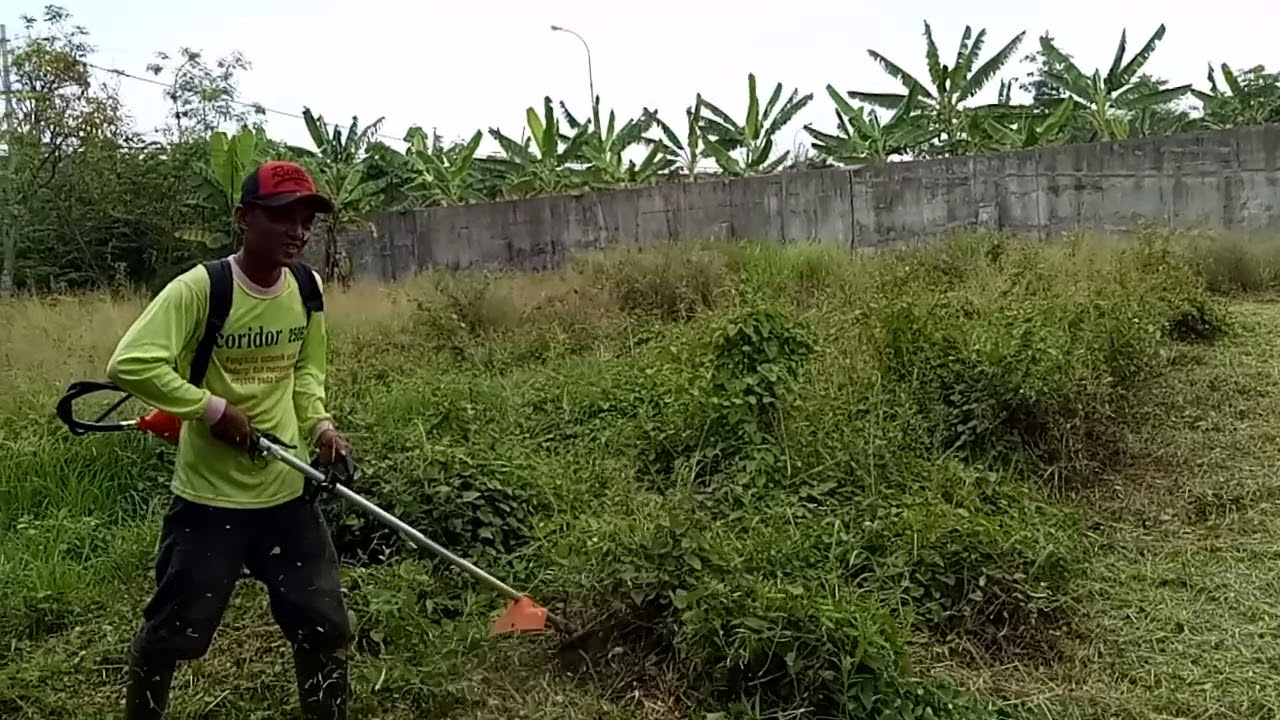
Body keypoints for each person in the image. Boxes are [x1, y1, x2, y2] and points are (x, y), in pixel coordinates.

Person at [106, 160, 354, 719]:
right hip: (209, 500)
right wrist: (212, 409)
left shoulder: (308, 289)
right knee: (174, 634)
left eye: (306, 220)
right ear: (244, 218)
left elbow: (305, 373)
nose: (297, 231)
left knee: (324, 627)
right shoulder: (203, 288)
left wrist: (320, 425)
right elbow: (130, 363)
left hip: (288, 493)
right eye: (280, 217)